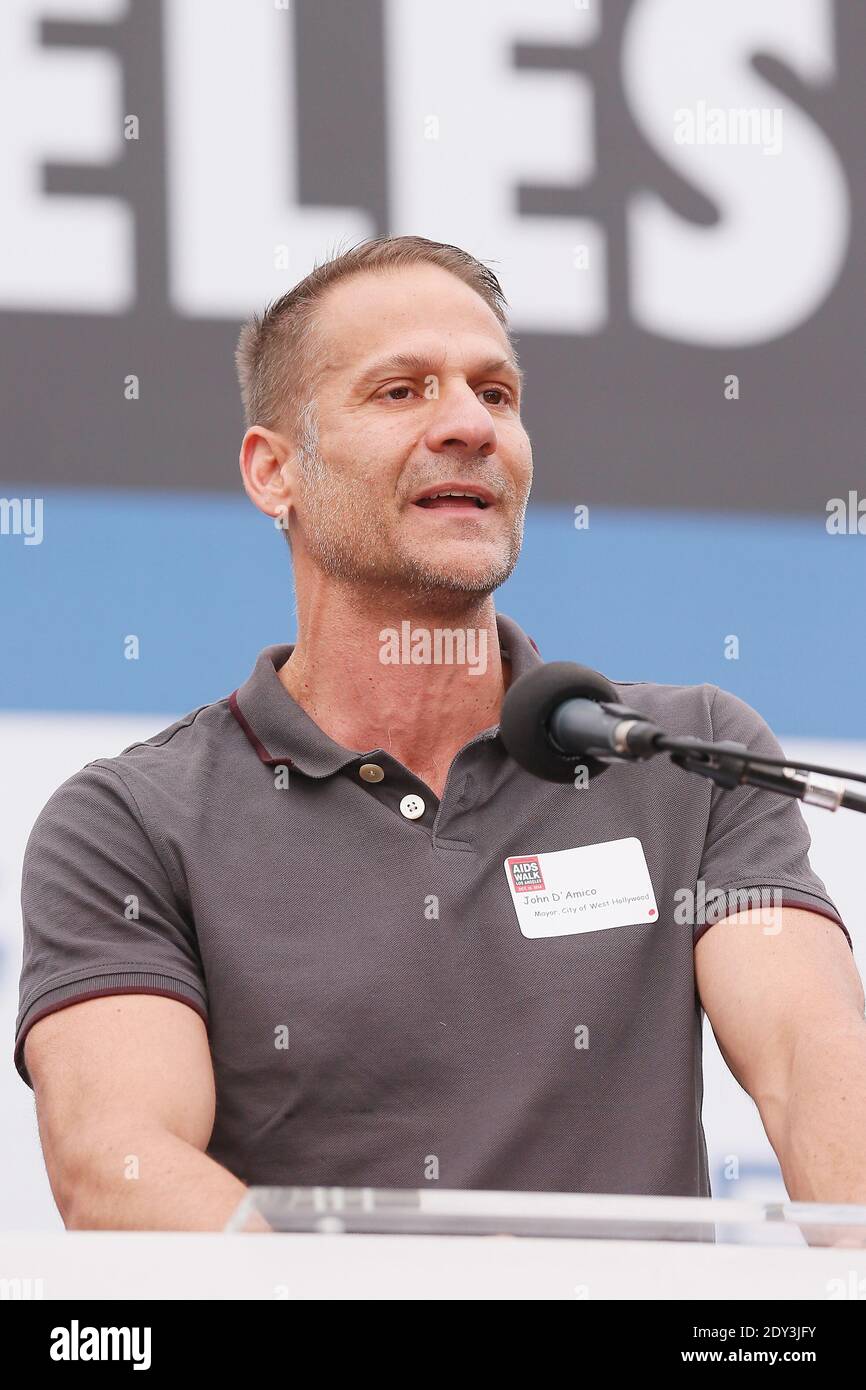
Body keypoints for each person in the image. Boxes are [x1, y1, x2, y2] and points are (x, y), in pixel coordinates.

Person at [15, 237, 866, 1231]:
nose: (468, 424)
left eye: (496, 393)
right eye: (401, 392)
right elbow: (117, 1164)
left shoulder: (686, 755)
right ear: (272, 471)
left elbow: (813, 1070)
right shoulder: (128, 823)